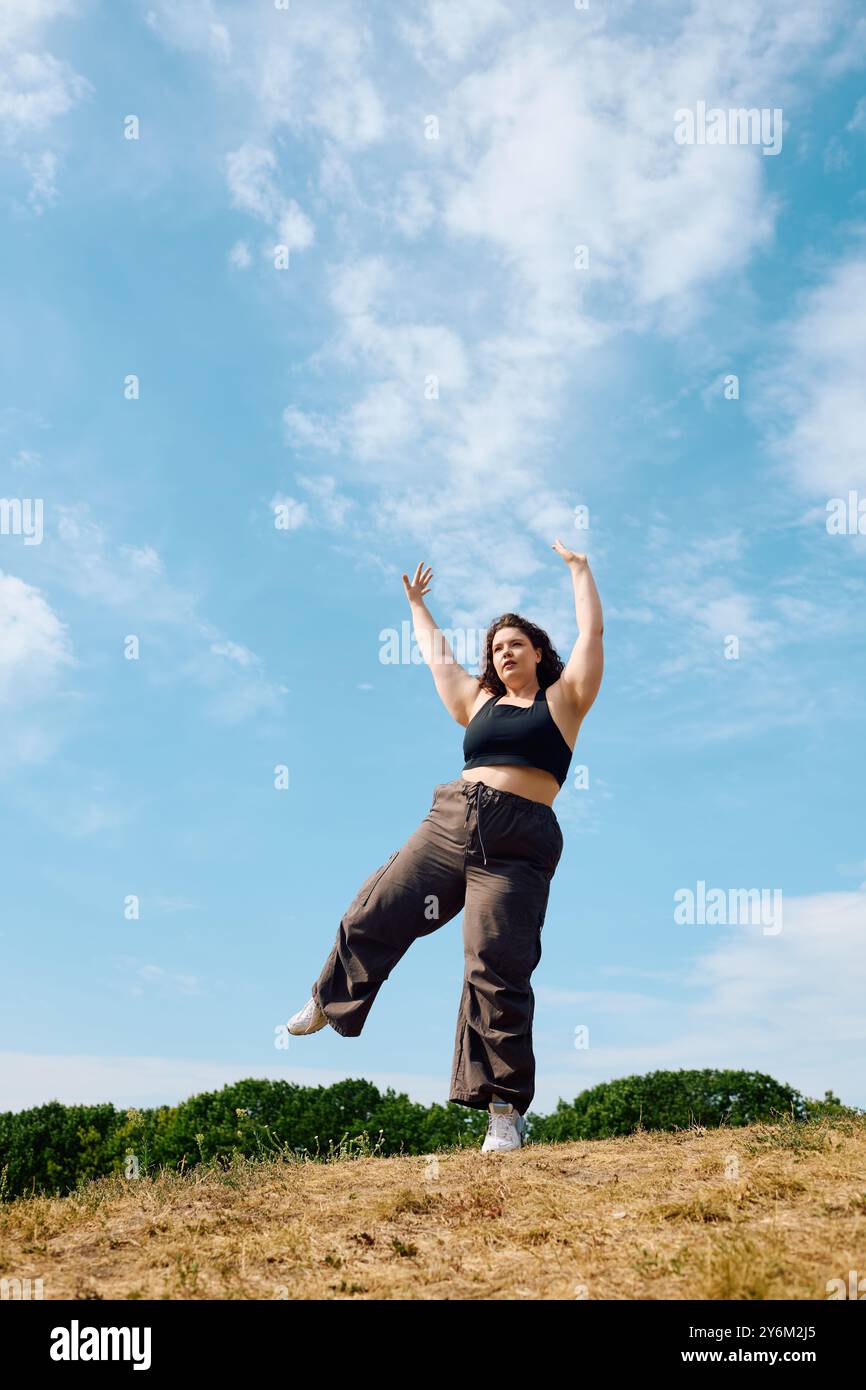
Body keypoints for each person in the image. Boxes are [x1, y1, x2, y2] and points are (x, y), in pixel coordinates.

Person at [287, 539, 604, 1153]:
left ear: (538, 651)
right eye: (496, 647)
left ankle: (504, 1114)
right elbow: (437, 657)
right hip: (454, 819)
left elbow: (592, 635)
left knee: (497, 964)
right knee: (377, 905)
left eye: (515, 643)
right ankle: (329, 998)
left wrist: (580, 570)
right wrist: (417, 605)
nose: (503, 652)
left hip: (519, 841)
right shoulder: (476, 702)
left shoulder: (565, 700)